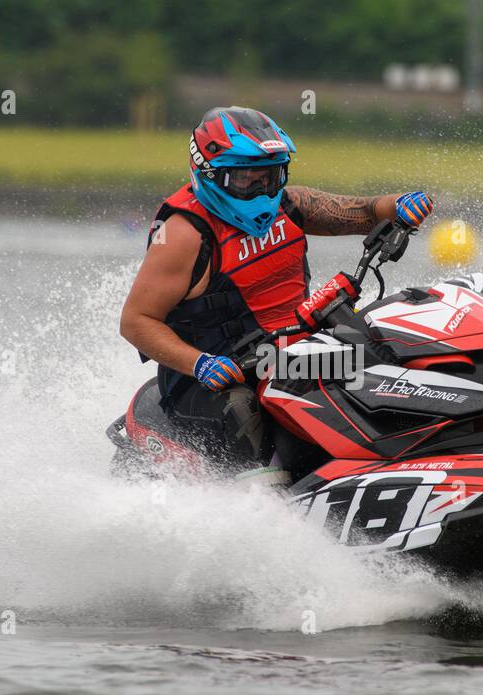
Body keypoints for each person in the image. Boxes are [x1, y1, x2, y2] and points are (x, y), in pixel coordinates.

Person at [119, 105, 434, 476]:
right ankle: (259, 498)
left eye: (269, 177)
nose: (261, 191)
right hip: (209, 376)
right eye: (245, 180)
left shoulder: (291, 204)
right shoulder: (183, 235)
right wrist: (201, 364)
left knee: (380, 355)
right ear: (209, 174)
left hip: (288, 355)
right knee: (241, 408)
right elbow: (135, 321)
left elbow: (366, 211)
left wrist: (398, 205)